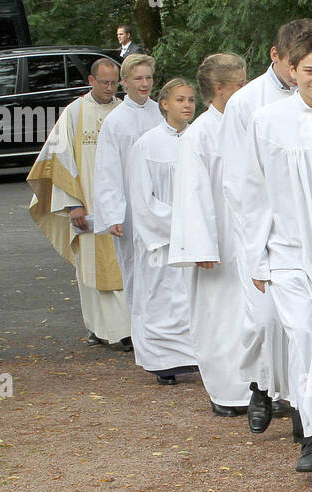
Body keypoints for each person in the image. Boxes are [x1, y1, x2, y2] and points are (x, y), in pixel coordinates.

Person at [243, 27, 312, 473]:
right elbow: (253, 192)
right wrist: (257, 257)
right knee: (303, 335)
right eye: (309, 71)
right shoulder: (267, 121)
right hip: (286, 251)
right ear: (291, 69)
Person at [220, 18, 312, 433]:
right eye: (295, 64)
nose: (304, 73)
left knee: (306, 325)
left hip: (307, 233)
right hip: (260, 231)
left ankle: (304, 408)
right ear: (277, 58)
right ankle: (261, 386)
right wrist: (254, 242)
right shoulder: (247, 103)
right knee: (263, 320)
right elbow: (238, 178)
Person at [169, 53, 276, 416]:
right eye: (239, 83)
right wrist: (200, 242)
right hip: (219, 242)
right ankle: (227, 391)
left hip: (248, 233)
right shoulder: (200, 132)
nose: (246, 89)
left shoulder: (249, 121)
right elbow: (192, 191)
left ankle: (262, 385)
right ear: (218, 88)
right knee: (220, 315)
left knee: (255, 313)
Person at [26, 57, 131, 347]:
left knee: (122, 266)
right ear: (91, 81)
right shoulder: (74, 113)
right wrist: (73, 204)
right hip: (87, 205)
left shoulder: (124, 112)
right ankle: (99, 328)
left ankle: (126, 331)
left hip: (119, 209)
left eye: (114, 82)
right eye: (104, 82)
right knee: (90, 268)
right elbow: (59, 161)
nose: (110, 88)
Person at [125, 78, 198, 385]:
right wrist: (178, 222)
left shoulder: (200, 138)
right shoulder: (147, 144)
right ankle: (163, 362)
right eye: (180, 100)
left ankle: (195, 356)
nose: (187, 105)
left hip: (195, 236)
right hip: (163, 238)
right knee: (163, 297)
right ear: (164, 104)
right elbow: (142, 198)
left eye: (192, 100)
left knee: (191, 298)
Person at [92, 53, 163, 337]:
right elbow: (107, 170)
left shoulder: (160, 112)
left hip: (161, 203)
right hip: (131, 208)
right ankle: (140, 331)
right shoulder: (116, 122)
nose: (144, 84)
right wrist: (113, 214)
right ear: (125, 82)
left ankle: (165, 329)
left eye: (148, 77)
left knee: (162, 267)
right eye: (138, 78)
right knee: (135, 267)